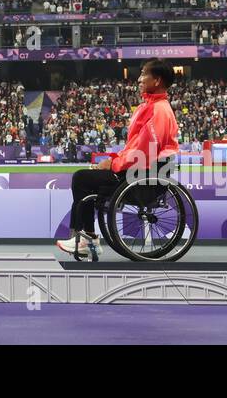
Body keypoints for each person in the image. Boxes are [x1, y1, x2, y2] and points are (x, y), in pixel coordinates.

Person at [55, 59, 180, 258]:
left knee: (81, 179)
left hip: (142, 176)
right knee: (85, 180)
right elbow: (135, 147)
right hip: (136, 169)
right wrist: (113, 161)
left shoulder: (159, 110)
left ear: (156, 80)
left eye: (143, 74)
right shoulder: (148, 107)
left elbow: (145, 152)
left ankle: (86, 238)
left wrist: (113, 164)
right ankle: (86, 237)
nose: (139, 79)